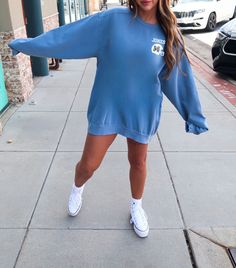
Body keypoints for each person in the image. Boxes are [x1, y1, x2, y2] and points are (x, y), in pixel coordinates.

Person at [8, 0, 208, 238]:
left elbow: (178, 77)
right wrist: (28, 45)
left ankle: (136, 206)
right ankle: (77, 188)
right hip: (107, 107)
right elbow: (68, 37)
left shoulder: (168, 33)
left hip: (142, 111)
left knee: (139, 163)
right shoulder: (112, 21)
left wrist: (192, 114)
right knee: (89, 165)